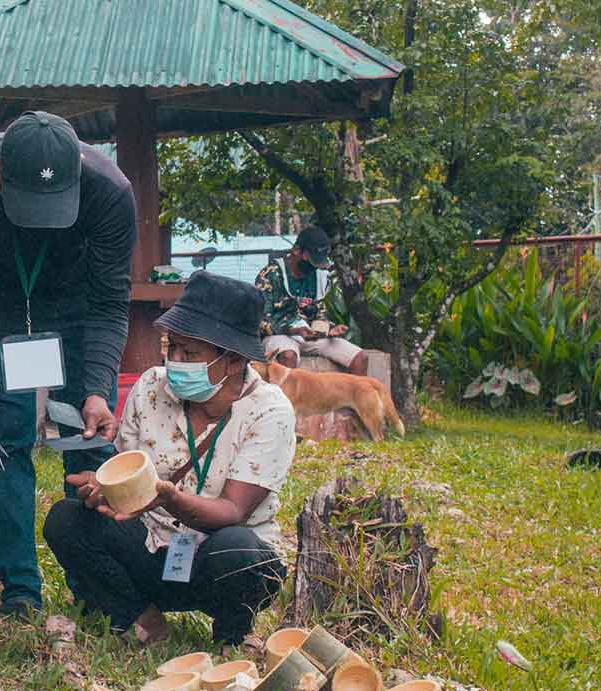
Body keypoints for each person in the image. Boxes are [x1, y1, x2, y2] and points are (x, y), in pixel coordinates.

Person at [0, 111, 137, 617]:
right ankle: (19, 592)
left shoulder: (110, 191)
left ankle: (95, 585)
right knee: (4, 439)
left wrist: (97, 386)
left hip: (77, 303)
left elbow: (110, 302)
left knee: (88, 437)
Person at [43, 272, 295, 646]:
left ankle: (231, 636)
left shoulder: (269, 411)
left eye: (189, 354)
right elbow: (125, 473)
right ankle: (140, 617)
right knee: (67, 519)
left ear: (233, 360)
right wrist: (104, 489)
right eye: (171, 346)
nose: (175, 361)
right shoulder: (150, 386)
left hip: (217, 564)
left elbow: (232, 511)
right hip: (152, 548)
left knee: (240, 550)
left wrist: (170, 499)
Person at [255, 225, 368, 375]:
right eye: (311, 261)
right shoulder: (270, 275)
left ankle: (356, 391)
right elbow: (260, 321)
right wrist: (294, 331)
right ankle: (288, 392)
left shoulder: (319, 276)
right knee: (288, 356)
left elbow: (319, 314)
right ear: (296, 251)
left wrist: (327, 329)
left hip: (308, 335)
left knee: (360, 358)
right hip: (278, 335)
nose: (314, 267)